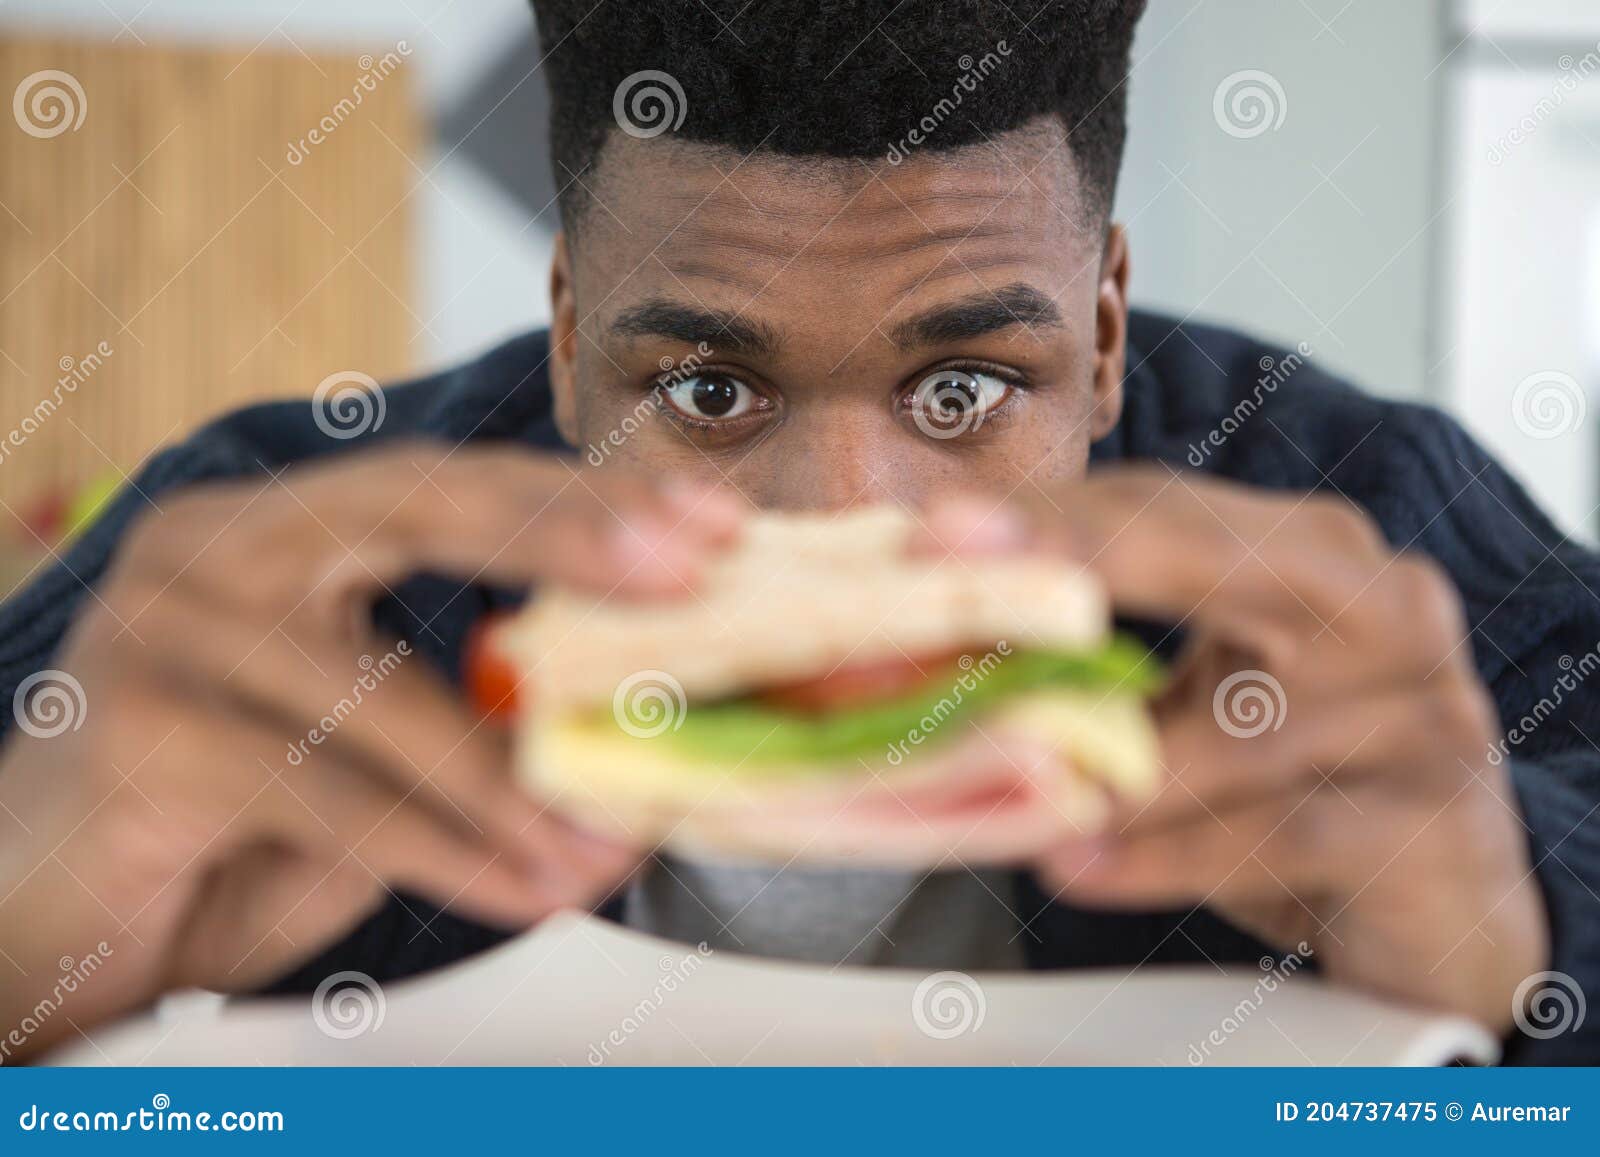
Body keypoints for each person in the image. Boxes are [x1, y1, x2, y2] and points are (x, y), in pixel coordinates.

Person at [0, 0, 1593, 1065]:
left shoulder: (1364, 526)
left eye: (967, 386)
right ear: (567, 332)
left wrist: (1527, 957)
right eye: (706, 385)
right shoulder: (276, 555)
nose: (841, 517)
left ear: (1104, 332)